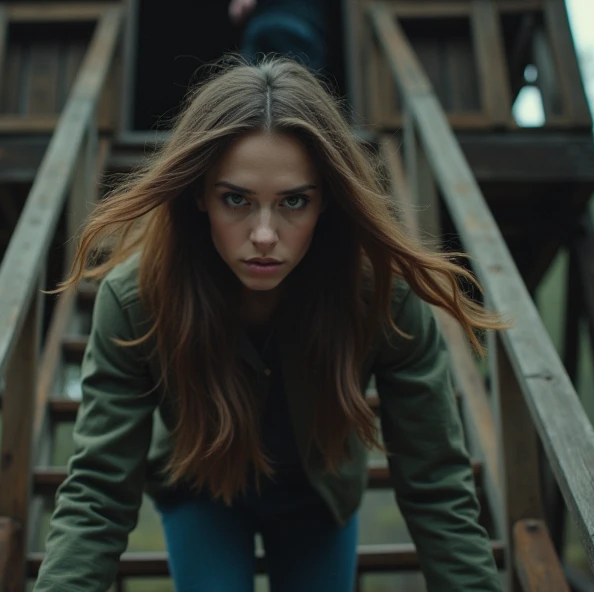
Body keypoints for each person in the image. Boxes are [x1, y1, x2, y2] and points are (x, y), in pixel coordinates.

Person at [34, 56, 505, 592]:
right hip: (201, 484)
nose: (263, 234)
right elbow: (97, 491)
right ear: (198, 194)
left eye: (293, 202)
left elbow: (437, 483)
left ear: (326, 199)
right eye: (236, 199)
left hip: (319, 494)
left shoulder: (385, 299)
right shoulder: (136, 300)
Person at [229, 0, 328, 72]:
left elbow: (239, 10)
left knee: (252, 89)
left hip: (273, 23)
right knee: (303, 91)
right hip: (304, 25)